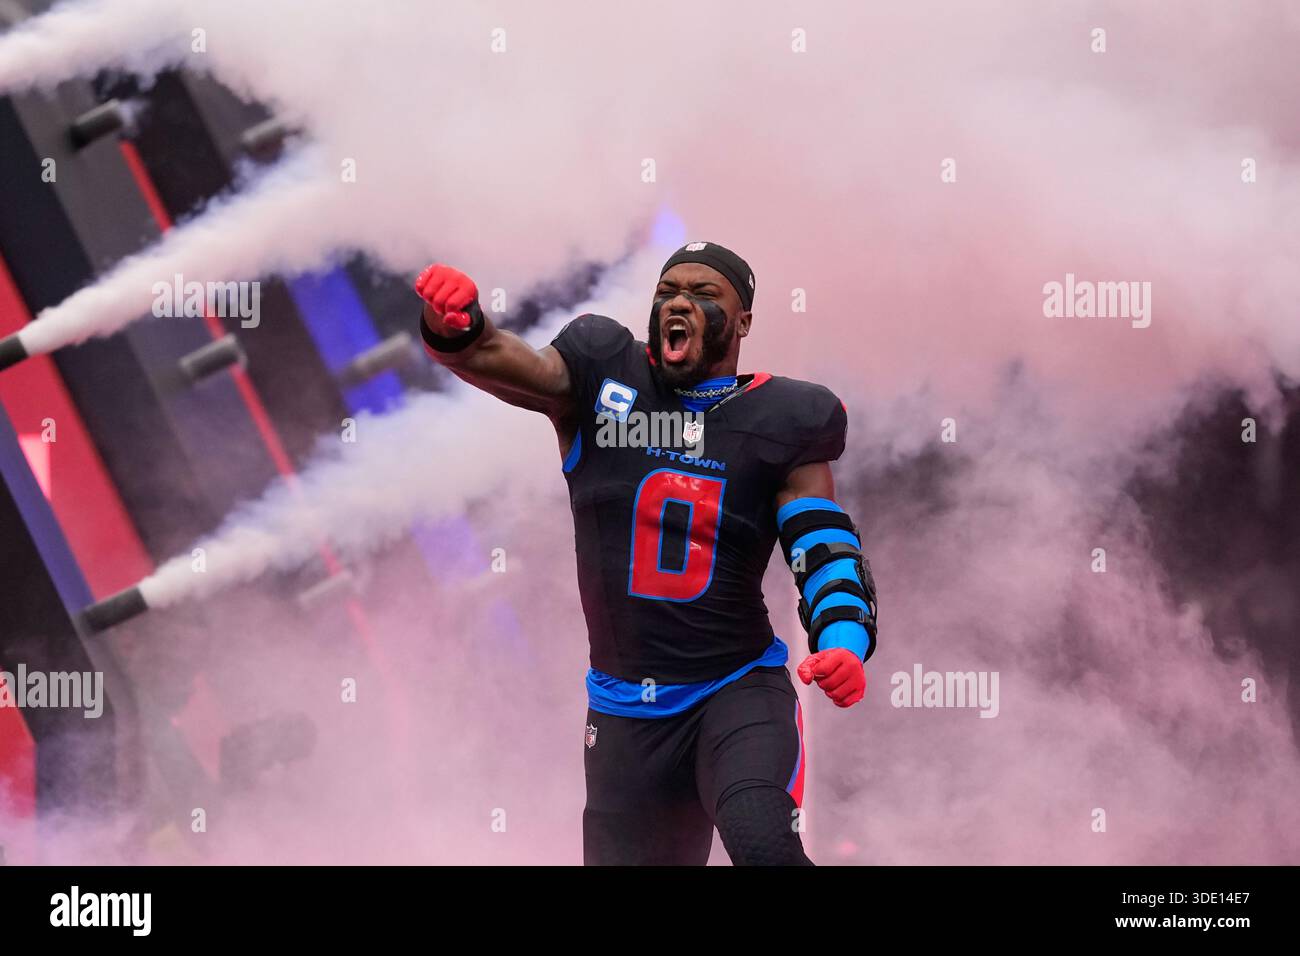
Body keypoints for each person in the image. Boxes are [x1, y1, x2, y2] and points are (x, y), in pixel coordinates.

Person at [415, 241, 877, 865]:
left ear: (743, 322)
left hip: (734, 691)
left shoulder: (784, 417)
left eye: (704, 294)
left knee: (762, 837)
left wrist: (844, 640)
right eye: (667, 291)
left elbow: (821, 544)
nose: (678, 302)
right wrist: (460, 325)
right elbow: (496, 355)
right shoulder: (602, 376)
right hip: (624, 712)